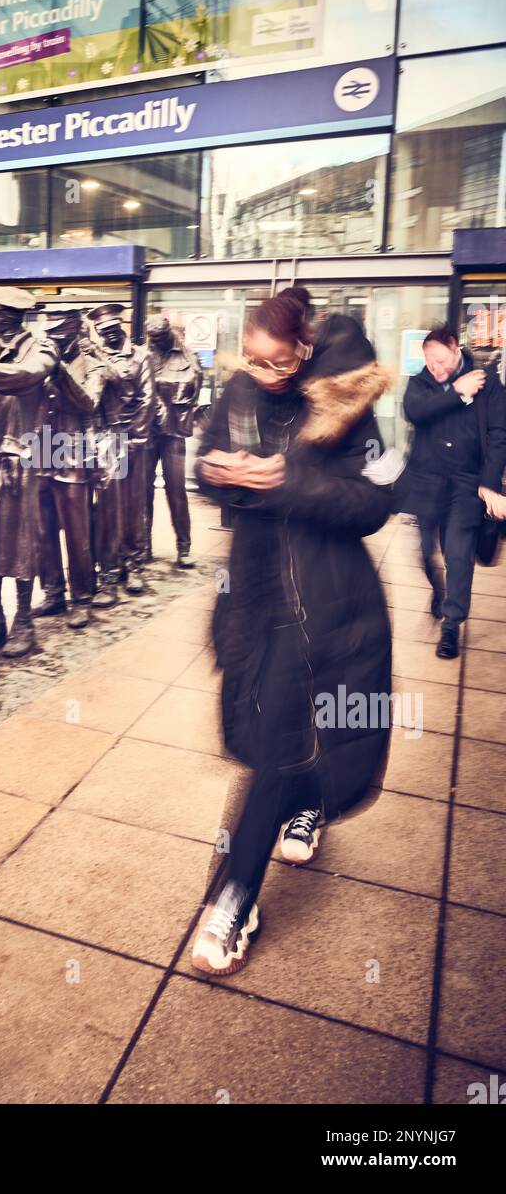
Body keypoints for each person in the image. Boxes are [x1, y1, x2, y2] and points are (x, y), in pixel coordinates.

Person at [191, 287, 394, 975]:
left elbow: (375, 502)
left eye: (276, 363)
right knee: (272, 737)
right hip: (253, 597)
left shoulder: (347, 405)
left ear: (305, 353)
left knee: (278, 747)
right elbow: (204, 463)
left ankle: (235, 898)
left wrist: (284, 484)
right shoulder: (240, 396)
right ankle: (304, 806)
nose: (261, 372)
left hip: (328, 604)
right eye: (251, 359)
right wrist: (222, 475)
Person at [399, 325, 506, 659]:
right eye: (429, 361)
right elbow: (414, 412)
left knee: (458, 555)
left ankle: (451, 625)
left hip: (465, 482)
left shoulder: (487, 383)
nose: (435, 367)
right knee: (426, 551)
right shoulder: (421, 383)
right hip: (427, 480)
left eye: (440, 359)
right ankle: (437, 589)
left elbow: (500, 434)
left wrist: (489, 484)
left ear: (454, 348)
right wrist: (456, 392)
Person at [0, 284, 58, 657]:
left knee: (20, 542)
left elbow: (26, 376)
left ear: (12, 315)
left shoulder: (41, 349)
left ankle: (24, 622)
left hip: (21, 457)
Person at [31, 305, 108, 628]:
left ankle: (82, 597)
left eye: (60, 334)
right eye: (50, 334)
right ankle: (53, 591)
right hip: (40, 450)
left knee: (77, 533)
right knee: (42, 529)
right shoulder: (38, 361)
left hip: (74, 453)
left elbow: (89, 402)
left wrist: (59, 370)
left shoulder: (94, 365)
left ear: (76, 331)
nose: (54, 341)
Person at [86, 303, 155, 601]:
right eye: (103, 332)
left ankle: (135, 564)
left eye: (113, 329)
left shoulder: (141, 357)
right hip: (104, 440)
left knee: (134, 504)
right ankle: (109, 570)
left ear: (122, 325)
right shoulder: (93, 355)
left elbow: (148, 400)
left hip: (131, 438)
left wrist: (136, 440)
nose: (109, 335)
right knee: (108, 509)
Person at [144, 312, 203, 567]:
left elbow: (194, 390)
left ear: (168, 333)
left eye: (160, 337)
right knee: (141, 492)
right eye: (152, 338)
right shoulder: (143, 354)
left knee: (176, 490)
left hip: (173, 432)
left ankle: (184, 547)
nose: (156, 341)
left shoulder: (188, 355)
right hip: (146, 431)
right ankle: (142, 546)